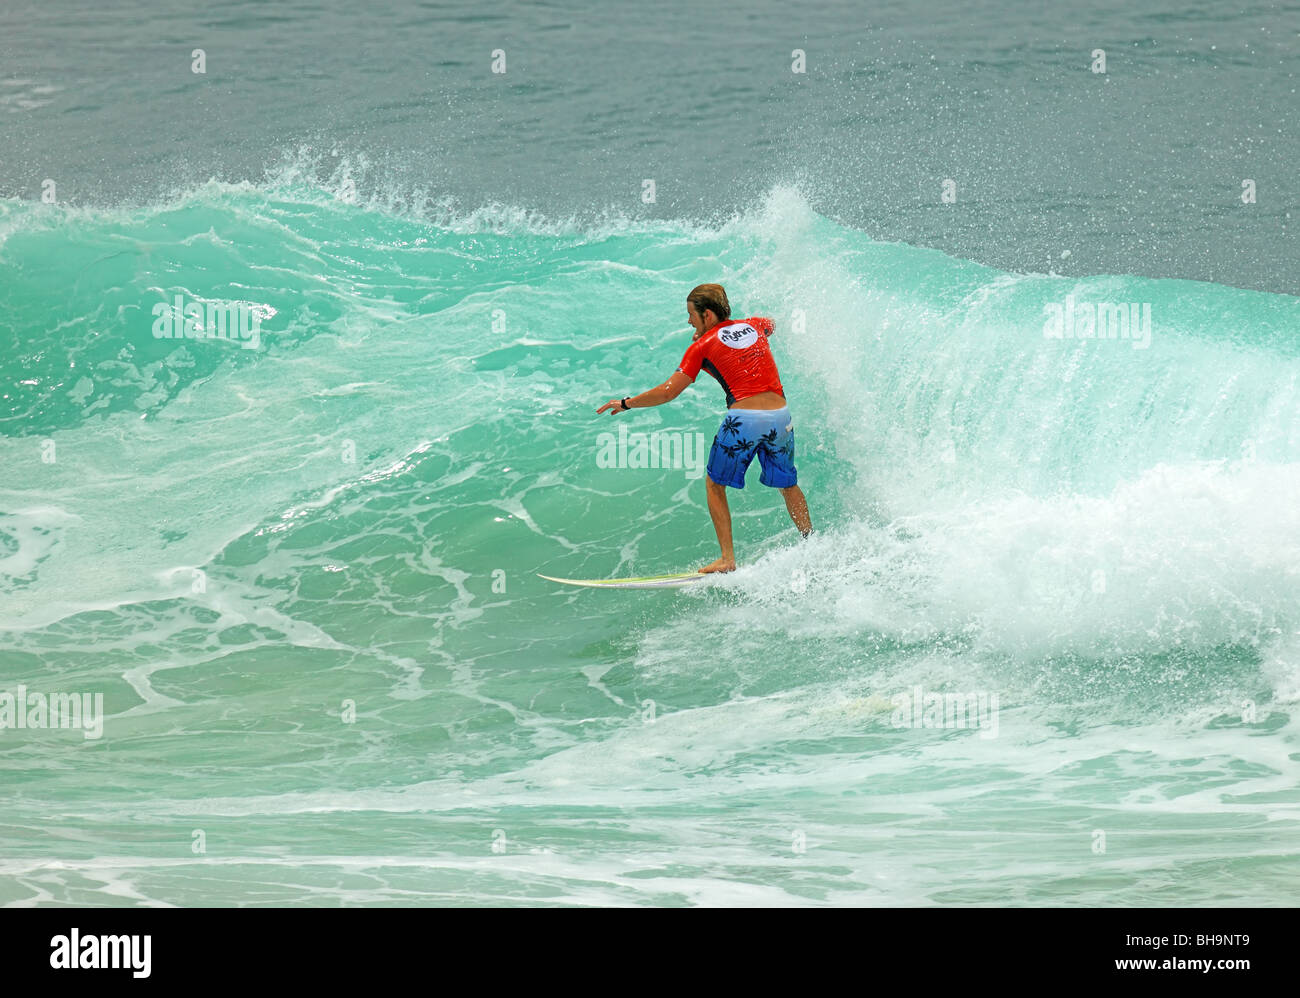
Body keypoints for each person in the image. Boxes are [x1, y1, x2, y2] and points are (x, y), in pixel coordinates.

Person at [597, 283, 812, 573]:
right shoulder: (755, 325)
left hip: (745, 419)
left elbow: (668, 391)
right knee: (787, 485)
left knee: (715, 484)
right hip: (780, 416)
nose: (688, 321)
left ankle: (727, 559)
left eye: (691, 315)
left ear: (707, 315)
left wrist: (626, 403)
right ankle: (811, 542)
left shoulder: (700, 347)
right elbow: (770, 325)